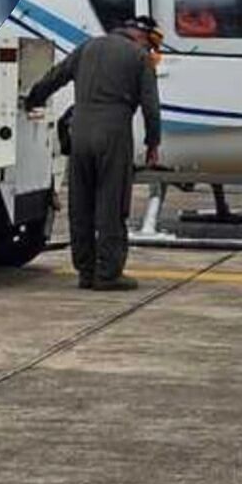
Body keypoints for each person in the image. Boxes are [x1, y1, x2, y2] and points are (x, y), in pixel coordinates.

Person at [25, 16, 163, 291]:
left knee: (82, 205)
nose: (150, 50)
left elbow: (55, 77)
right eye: (150, 44)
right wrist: (152, 144)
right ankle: (108, 274)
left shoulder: (87, 47)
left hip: (81, 133)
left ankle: (86, 272)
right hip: (113, 134)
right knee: (111, 205)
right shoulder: (138, 57)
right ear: (141, 35)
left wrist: (32, 100)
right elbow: (151, 106)